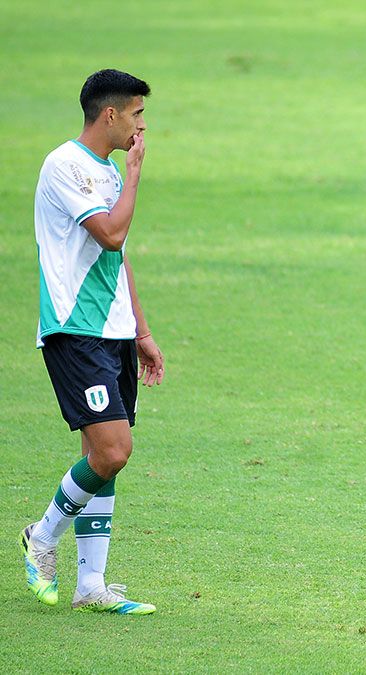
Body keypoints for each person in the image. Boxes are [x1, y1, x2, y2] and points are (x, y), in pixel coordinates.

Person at [20, 69, 163, 615]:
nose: (142, 126)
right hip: (75, 328)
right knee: (113, 449)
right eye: (137, 114)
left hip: (114, 330)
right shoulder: (66, 165)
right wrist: (135, 176)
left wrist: (141, 331)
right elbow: (111, 233)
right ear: (111, 114)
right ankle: (41, 536)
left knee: (102, 457)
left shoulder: (105, 171)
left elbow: (118, 258)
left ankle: (91, 586)